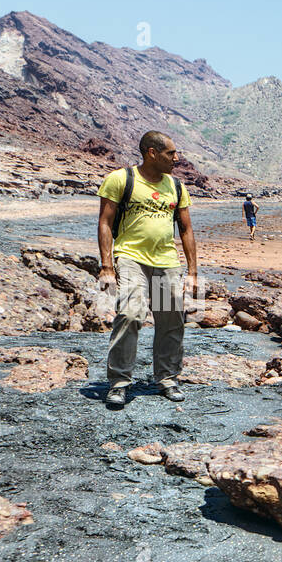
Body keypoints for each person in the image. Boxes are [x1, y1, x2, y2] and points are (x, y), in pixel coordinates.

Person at [95, 130, 198, 409]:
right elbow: (105, 223)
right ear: (151, 153)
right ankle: (119, 382)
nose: (176, 158)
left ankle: (166, 378)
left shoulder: (176, 186)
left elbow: (186, 230)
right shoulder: (120, 179)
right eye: (170, 153)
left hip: (166, 262)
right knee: (129, 314)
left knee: (171, 319)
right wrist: (106, 266)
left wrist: (192, 272)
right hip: (130, 258)